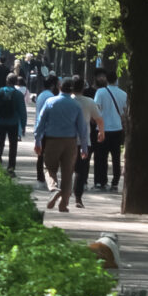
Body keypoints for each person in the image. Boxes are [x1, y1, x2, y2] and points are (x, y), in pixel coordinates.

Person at [36, 75, 88, 212]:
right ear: (71, 91)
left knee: (49, 167)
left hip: (52, 140)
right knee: (67, 173)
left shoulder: (50, 102)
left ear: (59, 87)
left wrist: (37, 141)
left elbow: (40, 123)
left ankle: (53, 188)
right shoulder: (76, 105)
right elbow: (82, 128)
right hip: (70, 143)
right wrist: (84, 147)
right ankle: (63, 204)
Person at [69, 73, 104, 206]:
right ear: (83, 88)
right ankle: (78, 197)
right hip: (84, 140)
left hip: (67, 140)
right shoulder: (89, 102)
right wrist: (101, 132)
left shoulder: (67, 100)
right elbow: (99, 119)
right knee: (81, 170)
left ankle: (65, 195)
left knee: (67, 168)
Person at [92, 68, 129, 192]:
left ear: (107, 80)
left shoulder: (100, 92)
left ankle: (100, 182)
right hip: (117, 128)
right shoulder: (123, 94)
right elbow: (124, 113)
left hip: (102, 129)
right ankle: (115, 183)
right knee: (116, 157)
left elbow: (97, 108)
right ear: (116, 80)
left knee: (101, 157)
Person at [0, 69, 26, 172]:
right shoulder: (18, 95)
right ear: (16, 82)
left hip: (0, 122)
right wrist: (23, 125)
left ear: (6, 81)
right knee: (13, 145)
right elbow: (22, 111)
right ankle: (11, 166)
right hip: (13, 123)